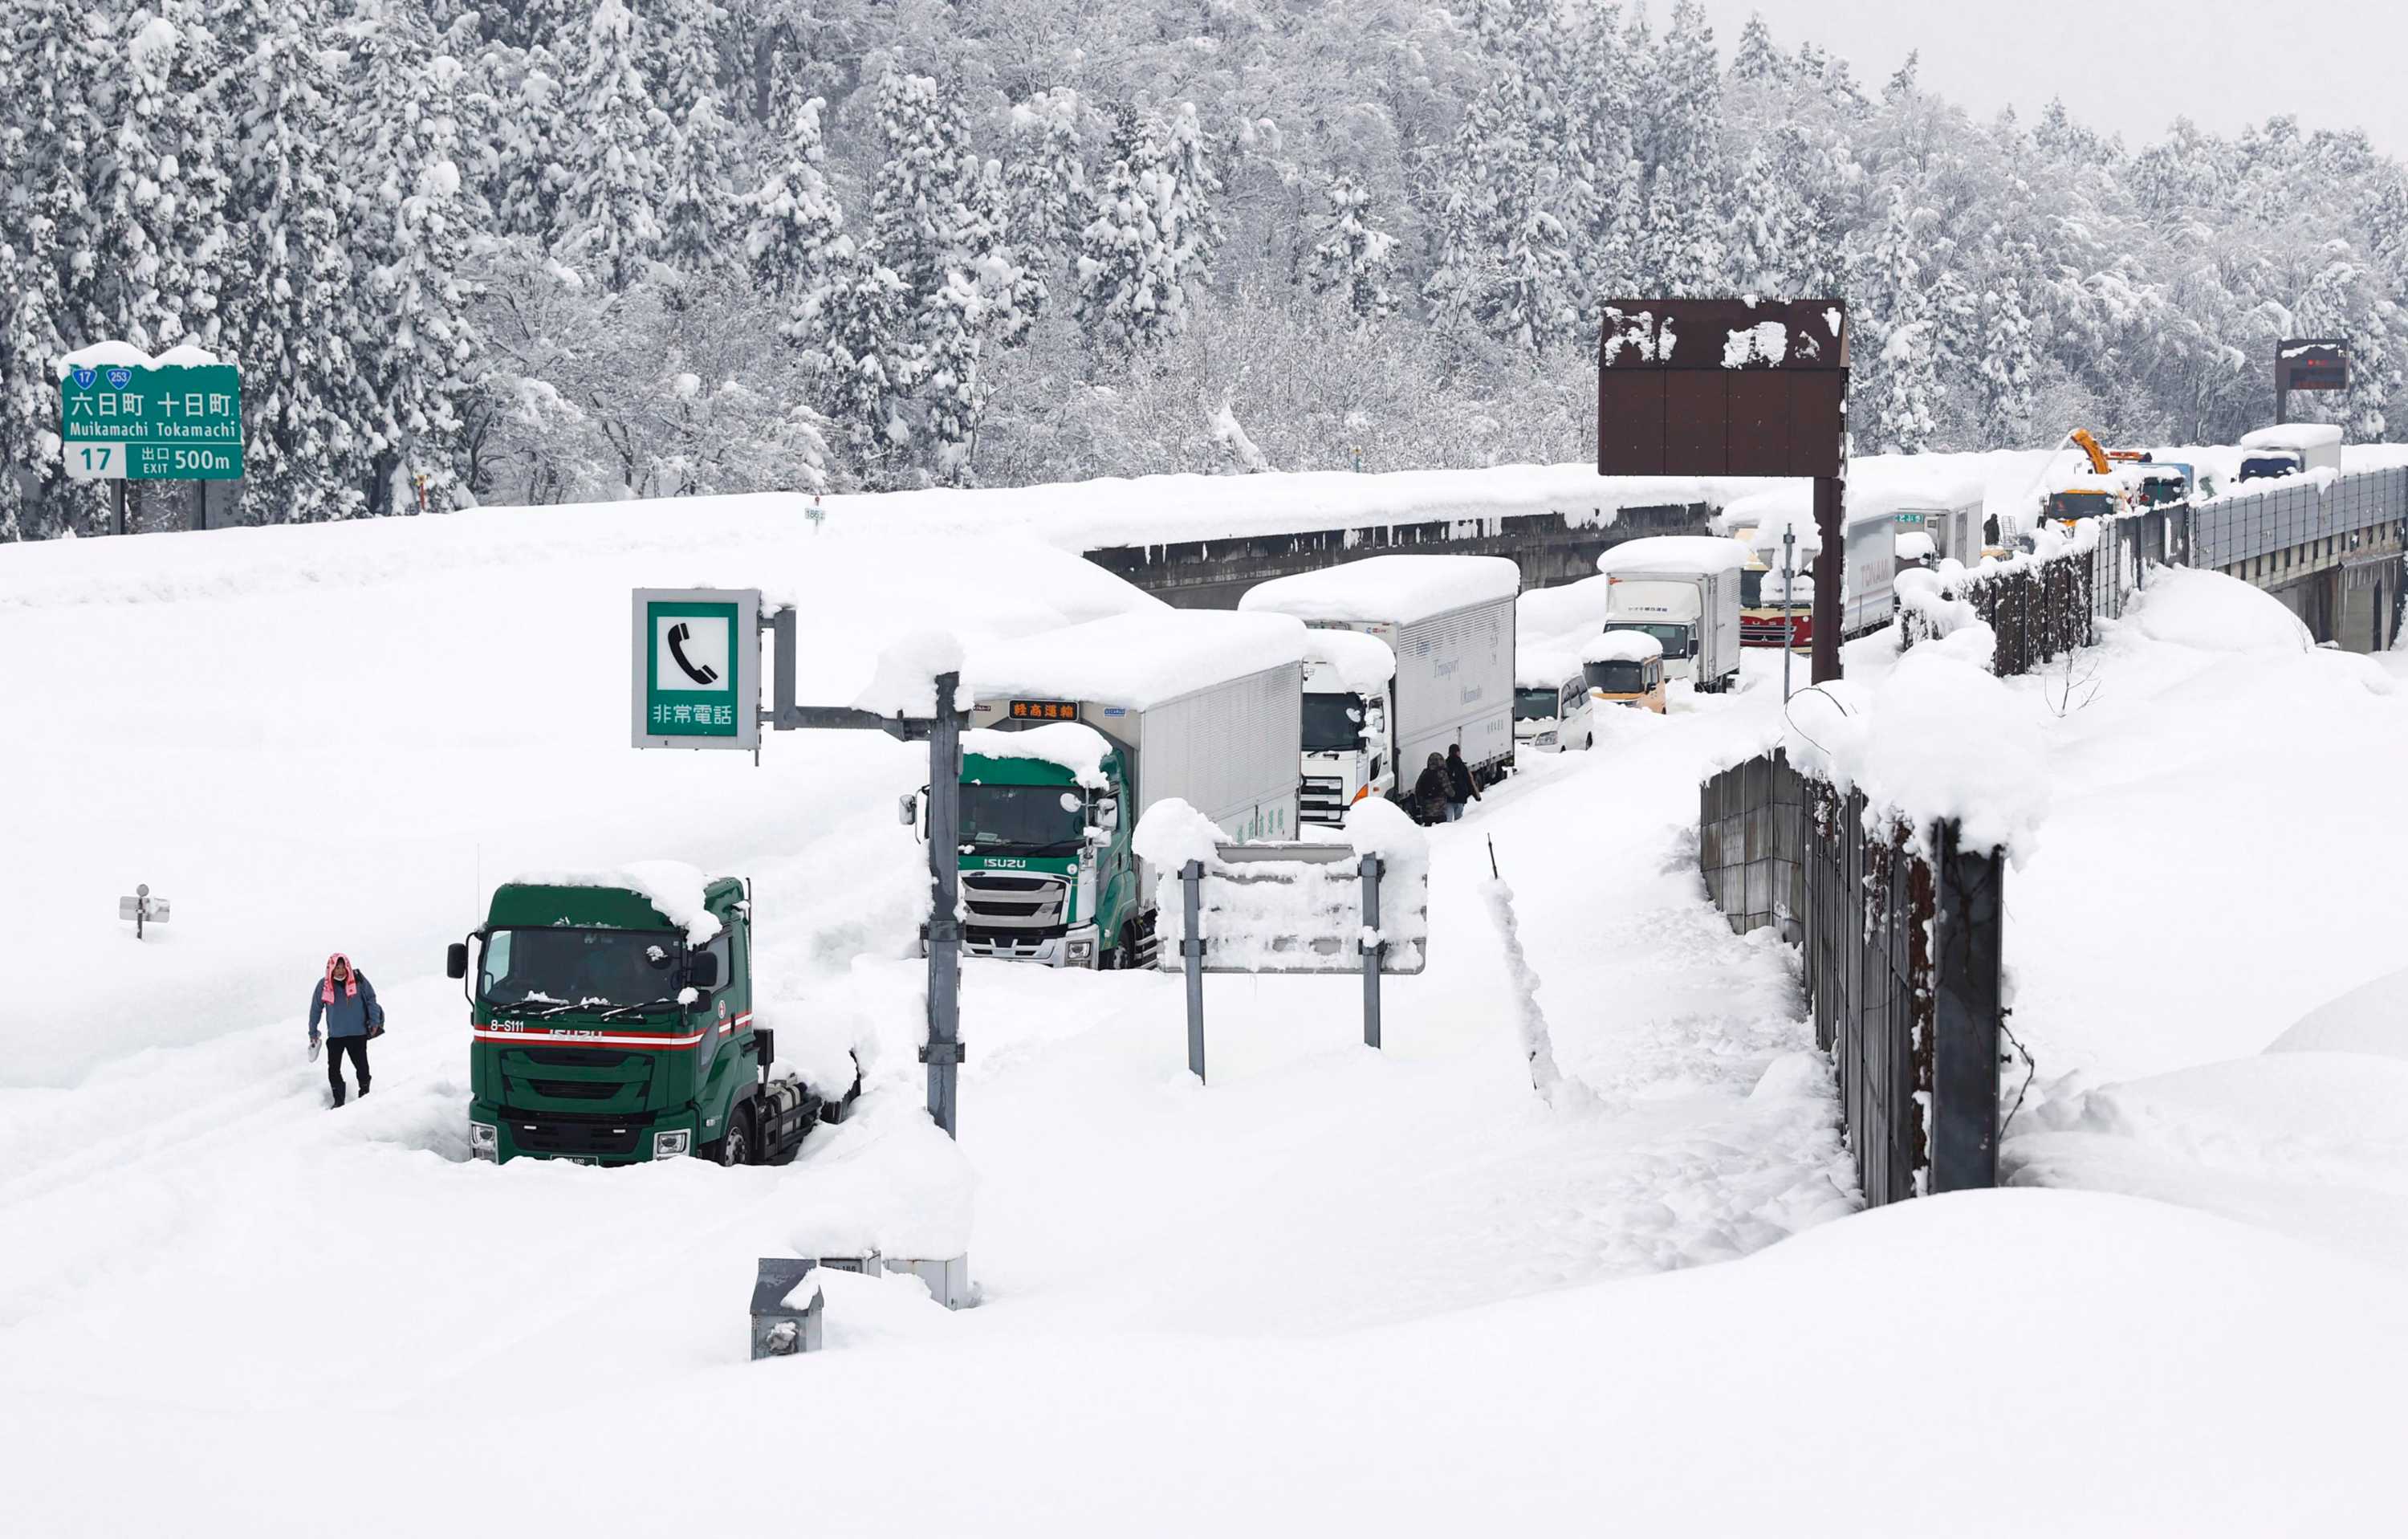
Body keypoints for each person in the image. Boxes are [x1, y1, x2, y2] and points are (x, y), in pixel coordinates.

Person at [308, 952, 384, 1107]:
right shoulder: (324, 985)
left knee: (362, 1068)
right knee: (334, 1070)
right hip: (336, 1036)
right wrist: (313, 1031)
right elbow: (316, 1009)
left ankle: (365, 1094)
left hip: (358, 1034)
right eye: (337, 968)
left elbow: (371, 999)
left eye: (343, 967)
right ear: (331, 969)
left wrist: (375, 1021)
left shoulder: (358, 981)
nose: (341, 971)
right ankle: (338, 1101)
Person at [1444, 743, 1483, 822]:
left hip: (1448, 798)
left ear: (1449, 753)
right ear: (1458, 753)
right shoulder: (1462, 766)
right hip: (1460, 797)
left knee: (1447, 822)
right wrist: (1477, 796)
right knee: (1459, 822)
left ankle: (1447, 833)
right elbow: (1470, 782)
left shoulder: (1444, 766)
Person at [1412, 751, 1450, 825]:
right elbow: (1448, 790)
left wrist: (1421, 802)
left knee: (1428, 829)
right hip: (1440, 811)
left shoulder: (1425, 773)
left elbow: (1418, 788)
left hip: (1427, 811)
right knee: (1442, 831)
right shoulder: (1442, 774)